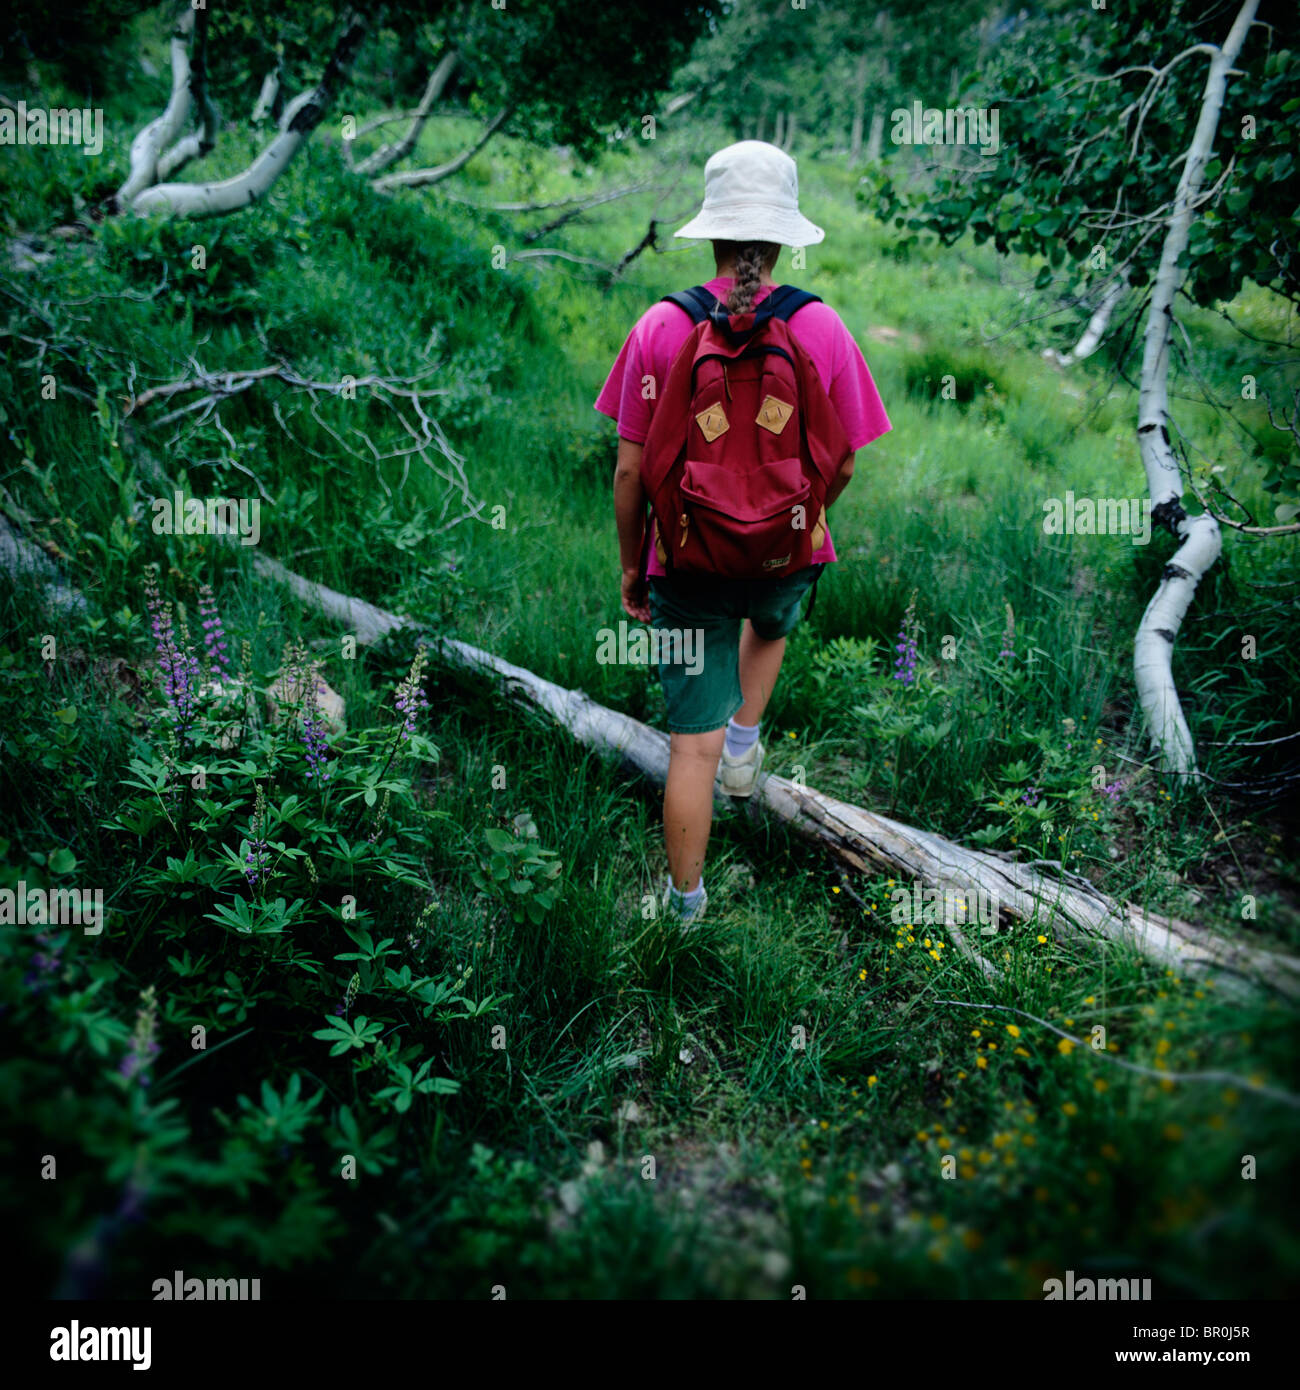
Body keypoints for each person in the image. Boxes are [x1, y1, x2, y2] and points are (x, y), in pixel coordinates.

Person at [595, 140, 891, 926]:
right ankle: (746, 741)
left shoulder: (660, 326)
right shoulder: (821, 328)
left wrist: (634, 568)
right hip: (786, 551)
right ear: (786, 236)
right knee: (770, 618)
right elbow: (848, 462)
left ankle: (685, 910)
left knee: (684, 746)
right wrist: (796, 515)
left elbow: (630, 474)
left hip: (685, 560)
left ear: (713, 232)